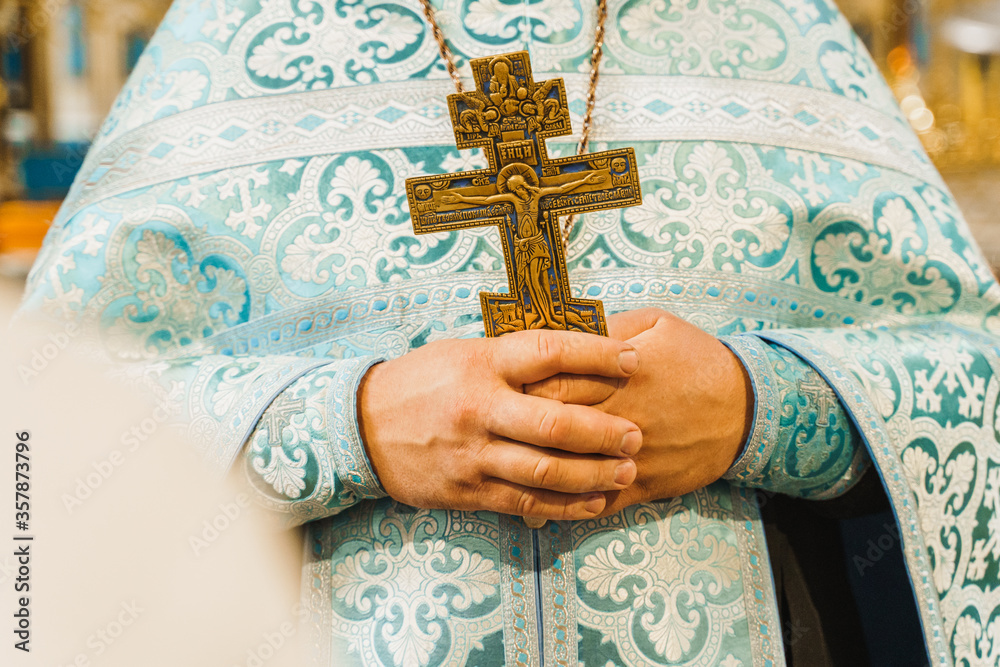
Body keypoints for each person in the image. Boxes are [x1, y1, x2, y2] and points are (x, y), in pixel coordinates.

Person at [18, 0, 1000, 665]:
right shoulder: (238, 33)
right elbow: (44, 435)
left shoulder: (770, 23)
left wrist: (761, 407)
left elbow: (967, 362)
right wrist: (349, 425)